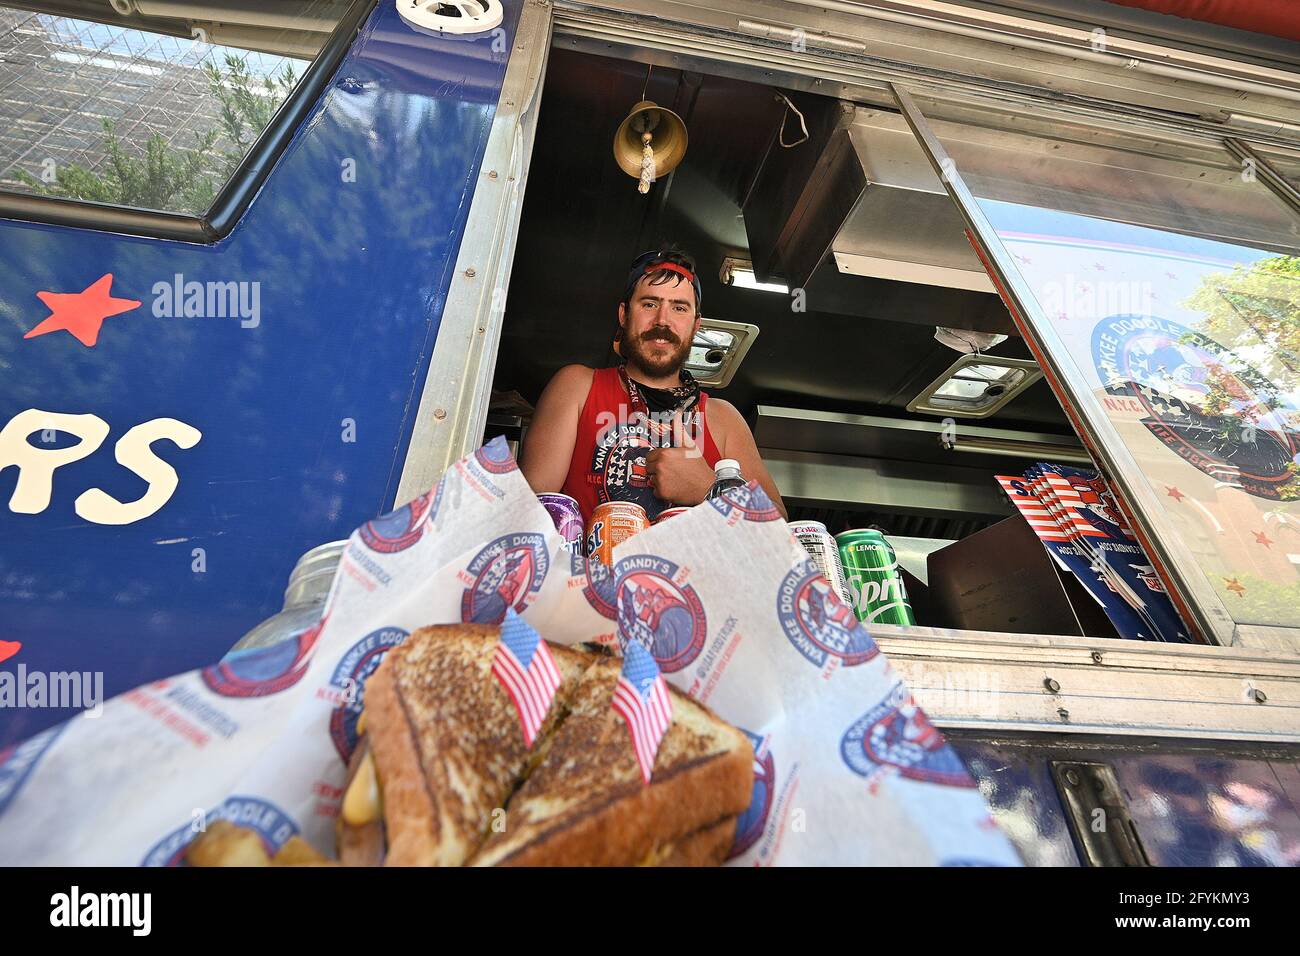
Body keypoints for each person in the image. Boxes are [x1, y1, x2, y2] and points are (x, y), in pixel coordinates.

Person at [520, 247, 786, 524]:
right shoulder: (577, 387)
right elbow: (531, 515)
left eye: (679, 308)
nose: (662, 321)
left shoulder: (723, 419)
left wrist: (707, 489)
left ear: (696, 325)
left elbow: (778, 529)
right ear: (624, 314)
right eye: (649, 304)